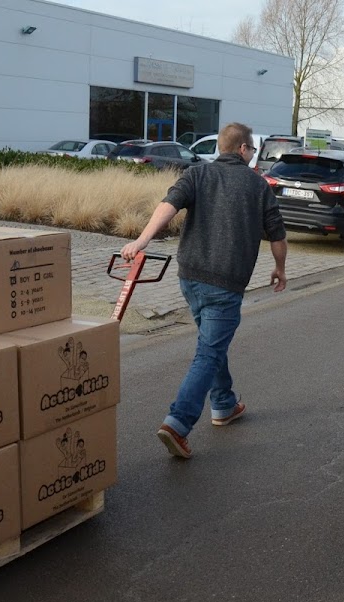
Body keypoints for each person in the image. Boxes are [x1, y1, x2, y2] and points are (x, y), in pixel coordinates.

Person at [120, 122, 288, 459]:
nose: (253, 155)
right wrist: (280, 269)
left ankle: (224, 404)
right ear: (242, 149)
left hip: (189, 278)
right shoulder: (258, 186)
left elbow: (168, 207)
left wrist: (141, 240)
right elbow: (278, 235)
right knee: (209, 351)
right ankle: (177, 423)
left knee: (212, 342)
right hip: (224, 283)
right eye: (252, 150)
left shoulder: (197, 174)